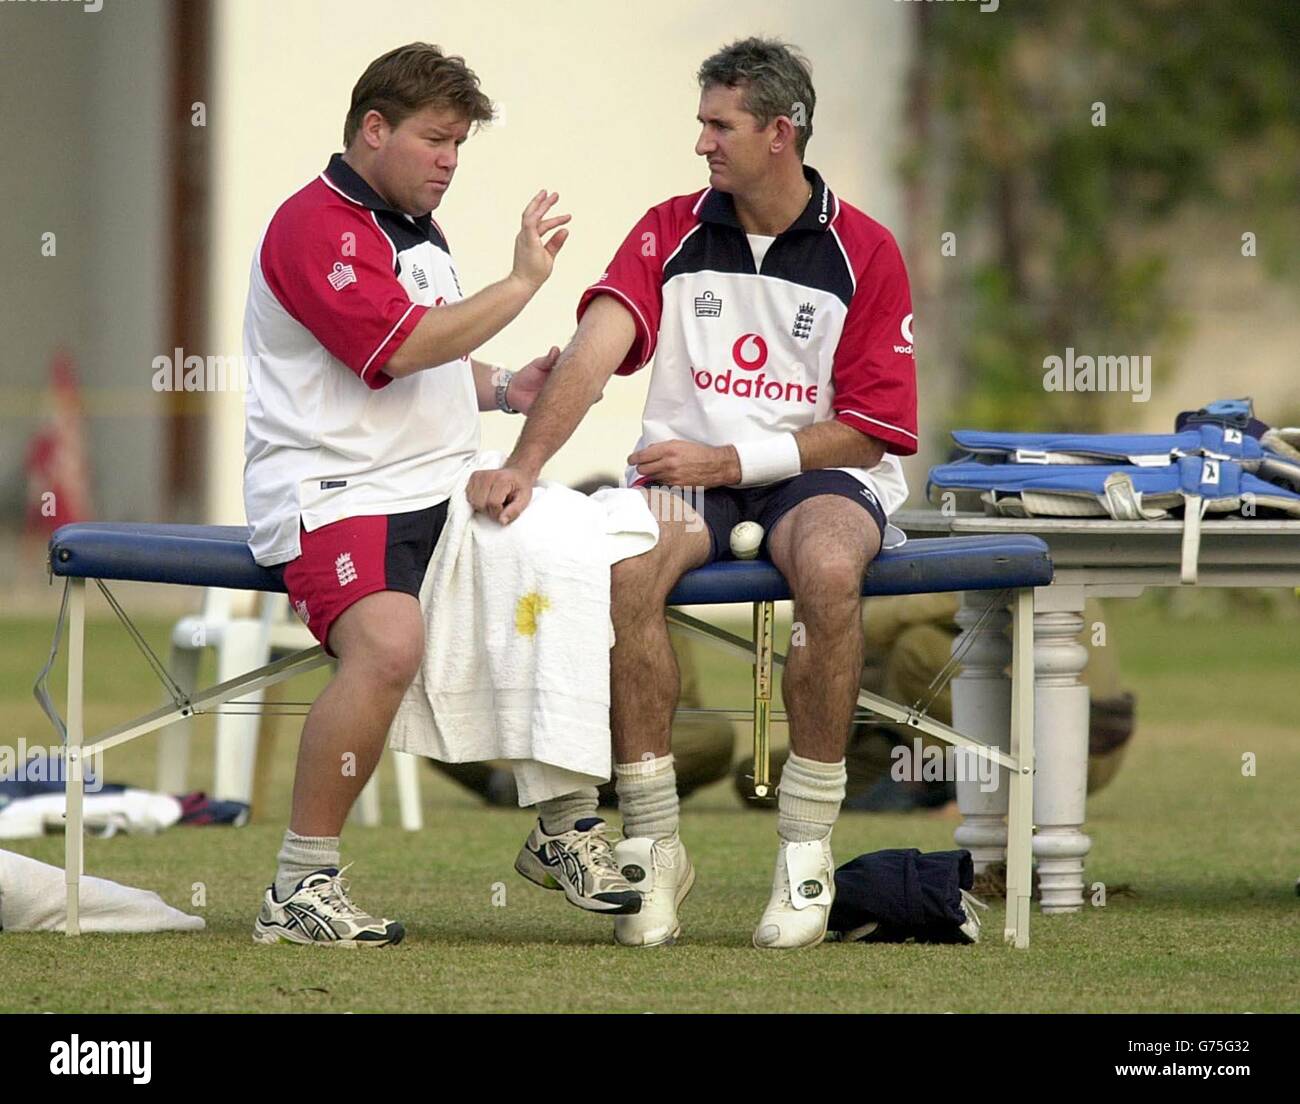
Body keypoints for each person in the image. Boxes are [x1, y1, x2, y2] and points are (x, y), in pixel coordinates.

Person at [471, 38, 918, 949]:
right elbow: (592, 355)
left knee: (830, 570)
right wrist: (522, 463)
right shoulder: (666, 228)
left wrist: (730, 462)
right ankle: (653, 844)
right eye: (702, 123)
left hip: (816, 476)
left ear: (779, 134)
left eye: (721, 126)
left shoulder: (866, 249)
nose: (703, 144)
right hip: (686, 480)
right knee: (625, 569)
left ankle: (804, 852)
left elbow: (871, 425)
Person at [239, 42, 608, 946]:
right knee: (390, 643)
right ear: (375, 129)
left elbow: (428, 364)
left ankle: (565, 827)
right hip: (333, 490)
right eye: (437, 140)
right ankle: (298, 886)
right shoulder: (312, 227)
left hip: (434, 485)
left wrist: (504, 390)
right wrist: (522, 283)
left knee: (561, 552)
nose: (450, 161)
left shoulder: (414, 228)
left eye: (459, 146)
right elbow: (398, 350)